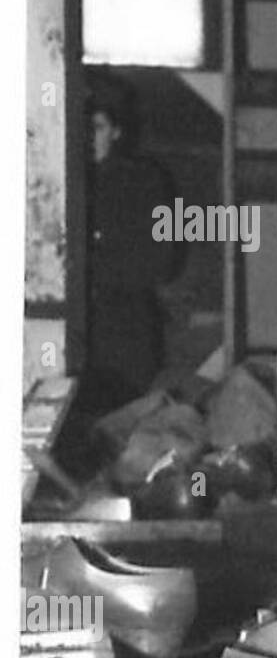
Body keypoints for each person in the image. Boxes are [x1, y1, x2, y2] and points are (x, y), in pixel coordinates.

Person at [83, 75, 182, 411]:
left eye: (95, 127)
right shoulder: (53, 184)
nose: (85, 138)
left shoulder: (142, 182)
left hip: (122, 342)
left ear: (116, 131)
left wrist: (89, 267)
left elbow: (160, 262)